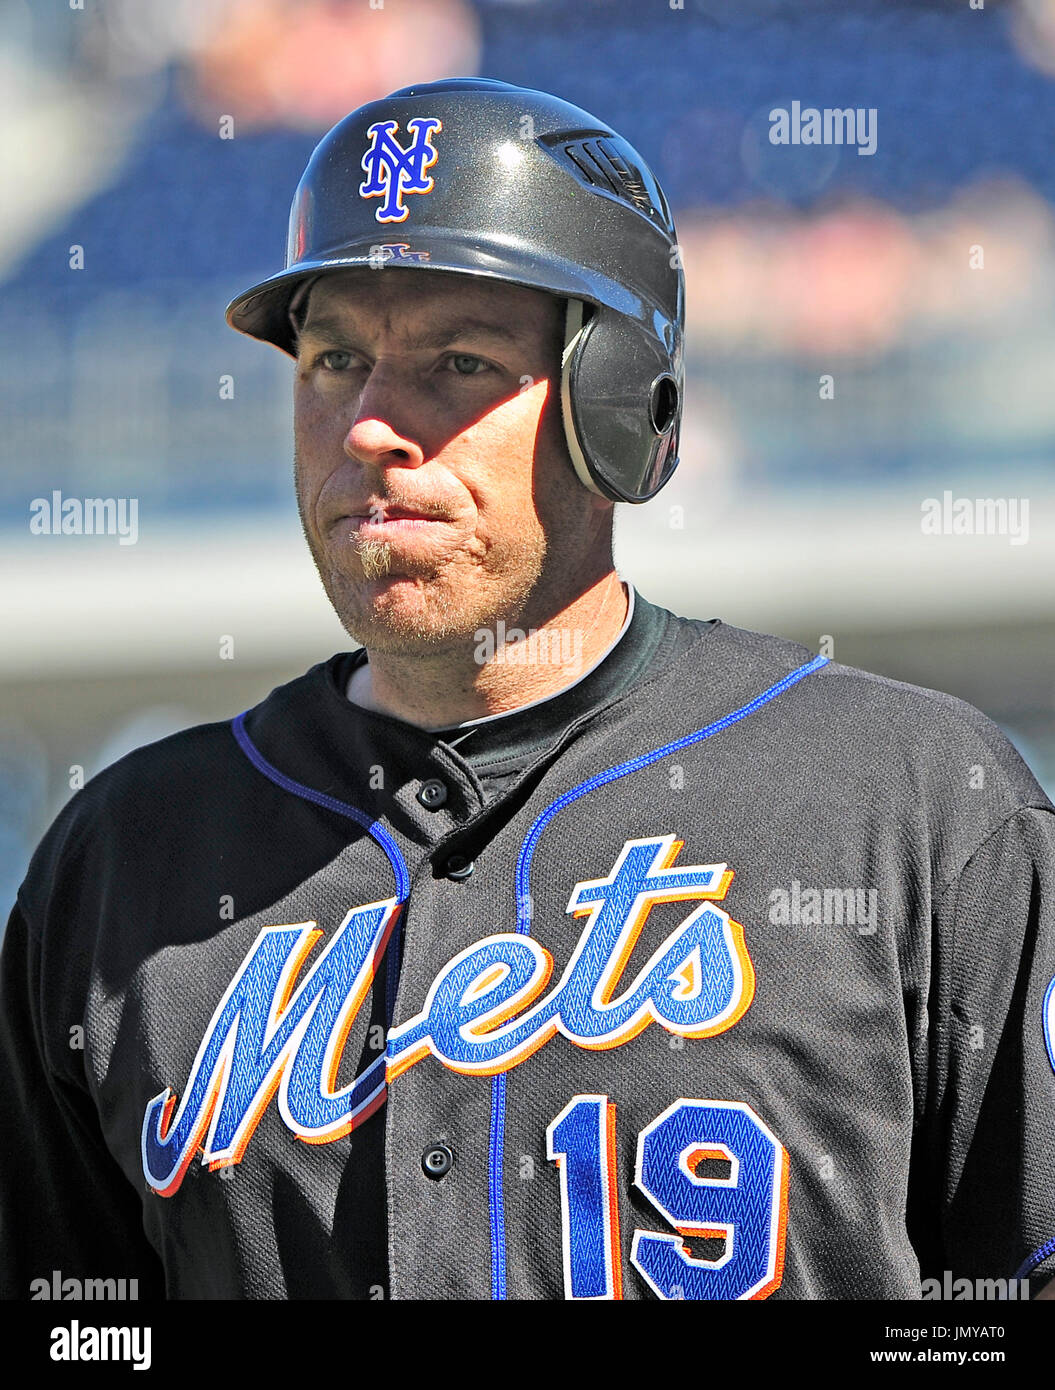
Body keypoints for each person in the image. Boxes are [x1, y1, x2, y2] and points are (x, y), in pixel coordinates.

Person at [2, 78, 1053, 1302]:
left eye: (456, 361)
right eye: (334, 358)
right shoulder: (124, 858)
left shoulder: (914, 806)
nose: (370, 427)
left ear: (621, 411)